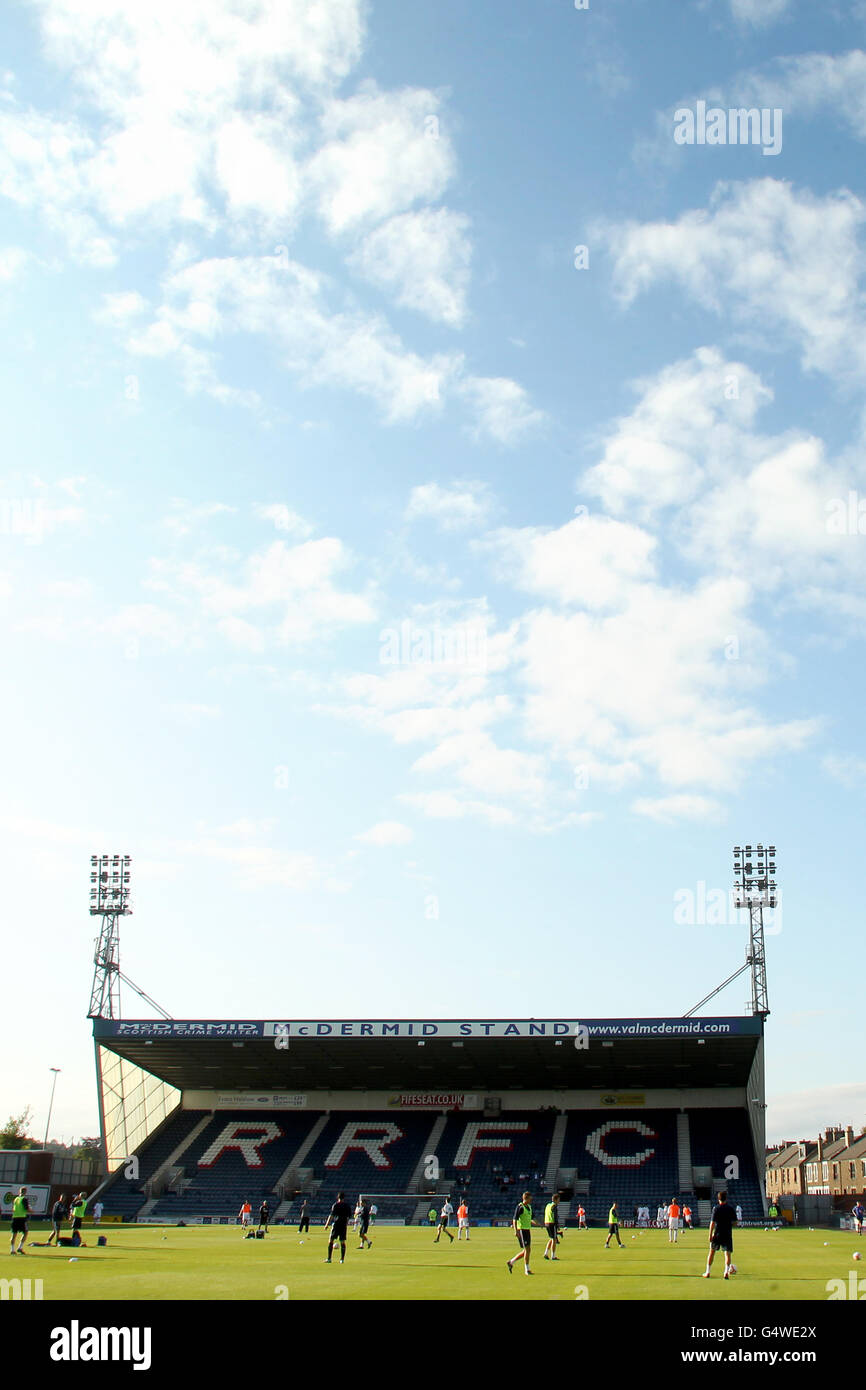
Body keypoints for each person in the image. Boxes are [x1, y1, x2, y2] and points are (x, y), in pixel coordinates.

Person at [703, 1190, 737, 1280]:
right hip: (727, 1234)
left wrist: (710, 1234)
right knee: (727, 1254)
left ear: (718, 1199)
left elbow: (712, 1223)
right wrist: (729, 1225)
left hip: (717, 1234)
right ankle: (726, 1272)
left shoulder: (716, 1208)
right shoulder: (730, 1208)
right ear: (726, 1198)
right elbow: (735, 1222)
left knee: (712, 1252)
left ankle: (708, 1272)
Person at [507, 1191, 537, 1275]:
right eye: (530, 1198)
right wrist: (516, 1231)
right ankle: (527, 1270)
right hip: (522, 1230)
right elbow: (515, 1219)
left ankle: (511, 1262)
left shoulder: (529, 1207)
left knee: (526, 1250)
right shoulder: (520, 1207)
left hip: (527, 1230)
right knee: (527, 1250)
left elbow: (530, 1218)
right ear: (526, 1198)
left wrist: (537, 1223)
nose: (531, 1200)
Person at [324, 1191, 352, 1264]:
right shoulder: (347, 1206)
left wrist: (327, 1224)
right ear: (344, 1198)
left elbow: (332, 1215)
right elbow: (348, 1217)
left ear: (338, 1197)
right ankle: (342, 1260)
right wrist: (346, 1224)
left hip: (336, 1224)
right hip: (343, 1225)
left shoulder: (335, 1205)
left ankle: (329, 1259)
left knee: (331, 1240)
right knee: (342, 1241)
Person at [9, 1187, 29, 1255]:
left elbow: (13, 1209)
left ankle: (12, 1249)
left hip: (15, 1218)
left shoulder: (16, 1199)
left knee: (14, 1234)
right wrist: (31, 1211)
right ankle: (20, 1248)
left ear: (19, 1191)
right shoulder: (24, 1199)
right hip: (22, 1218)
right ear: (25, 1192)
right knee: (25, 1232)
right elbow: (26, 1208)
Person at [543, 1192, 561, 1261]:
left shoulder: (548, 1205)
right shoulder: (554, 1206)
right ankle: (553, 1256)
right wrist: (557, 1225)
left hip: (546, 1223)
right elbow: (555, 1216)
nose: (559, 1201)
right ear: (556, 1199)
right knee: (554, 1239)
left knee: (551, 1238)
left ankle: (546, 1253)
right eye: (558, 1199)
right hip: (552, 1223)